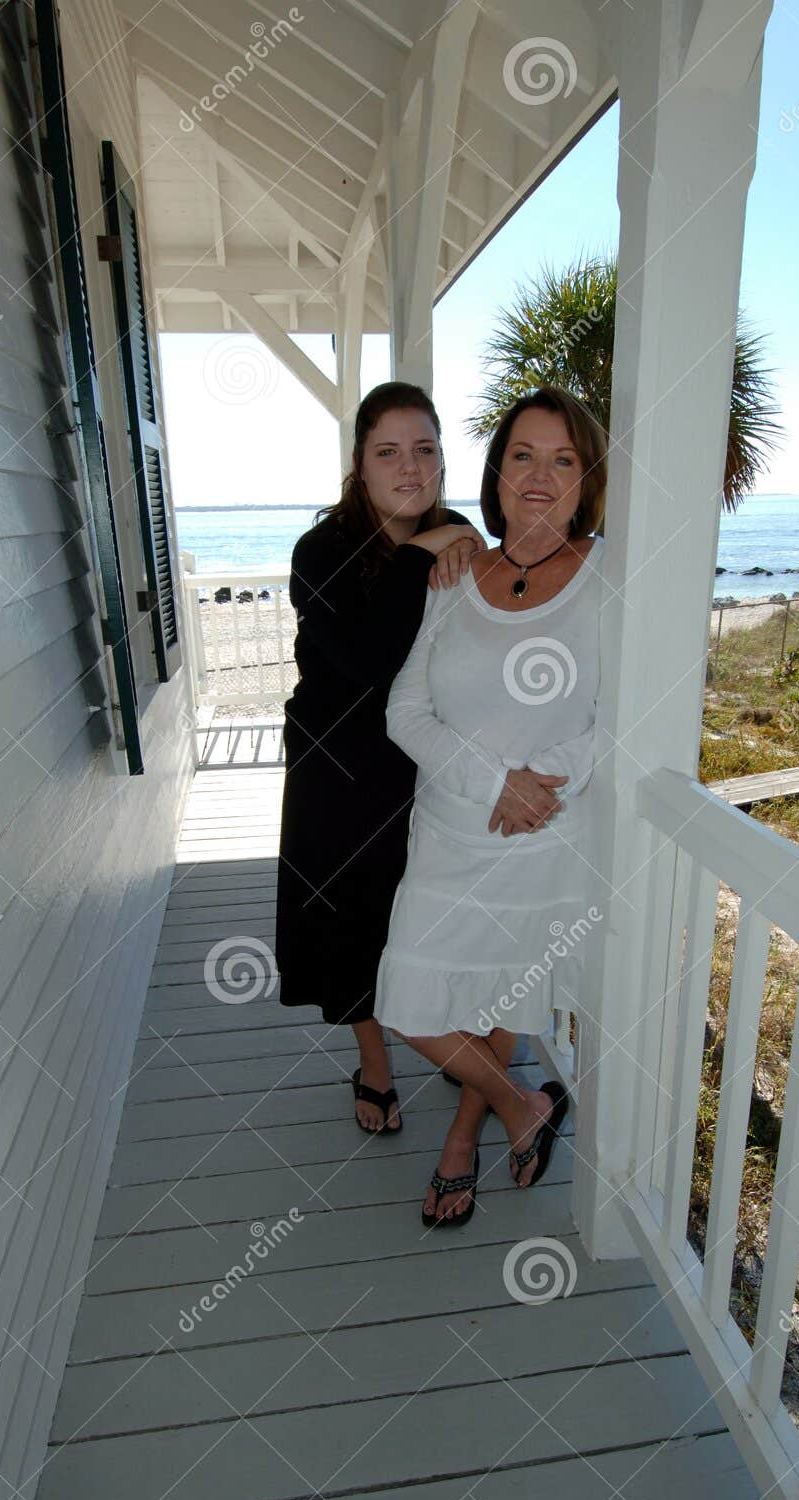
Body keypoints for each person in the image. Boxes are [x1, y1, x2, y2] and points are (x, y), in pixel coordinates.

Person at [373, 387, 609, 1223]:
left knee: (499, 995)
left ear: (587, 477)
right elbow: (404, 711)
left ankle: (462, 1141)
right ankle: (521, 1105)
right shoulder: (454, 576)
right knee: (409, 1003)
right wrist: (490, 781)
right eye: (522, 455)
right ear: (496, 471)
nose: (539, 475)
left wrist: (544, 780)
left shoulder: (609, 575)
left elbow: (629, 715)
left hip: (541, 839)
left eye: (562, 459)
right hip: (447, 832)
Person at [275, 382, 484, 1133]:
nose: (408, 467)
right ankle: (374, 1062)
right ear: (358, 465)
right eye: (387, 451)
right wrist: (421, 551)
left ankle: (467, 1060)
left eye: (424, 449)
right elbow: (365, 657)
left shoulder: (462, 533)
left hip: (426, 764)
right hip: (339, 770)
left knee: (425, 921)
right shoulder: (322, 550)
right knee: (354, 925)